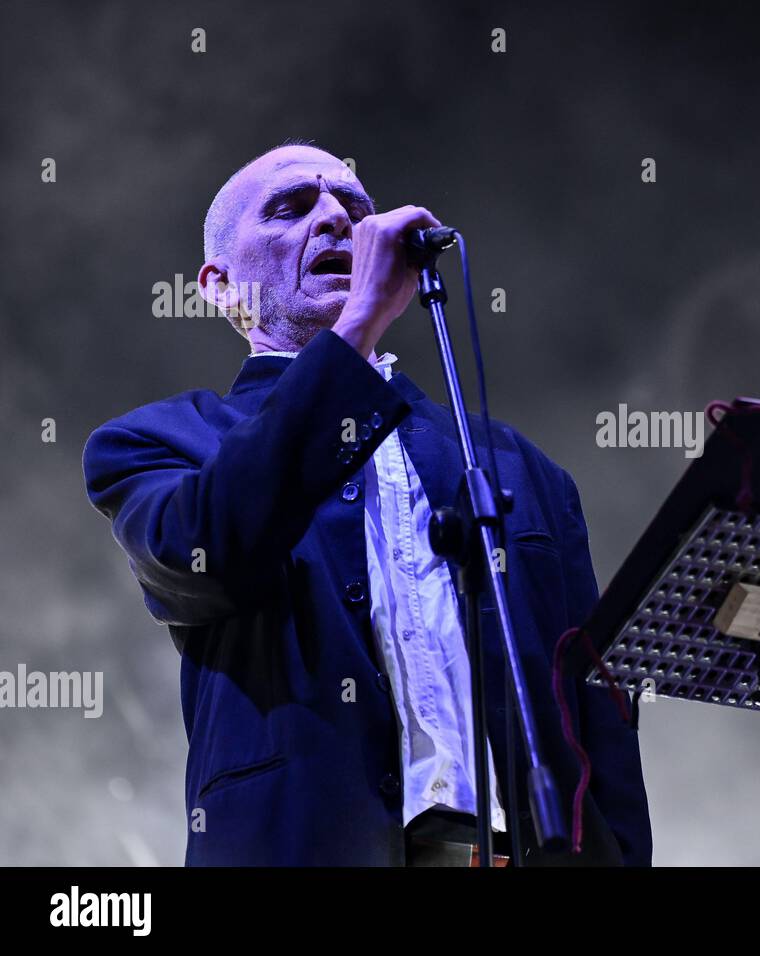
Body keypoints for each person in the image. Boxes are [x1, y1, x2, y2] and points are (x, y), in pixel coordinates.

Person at [82, 141, 651, 866]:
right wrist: (353, 338)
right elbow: (213, 549)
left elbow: (595, 708)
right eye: (291, 207)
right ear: (220, 286)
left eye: (354, 207)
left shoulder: (520, 468)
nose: (335, 220)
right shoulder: (160, 442)